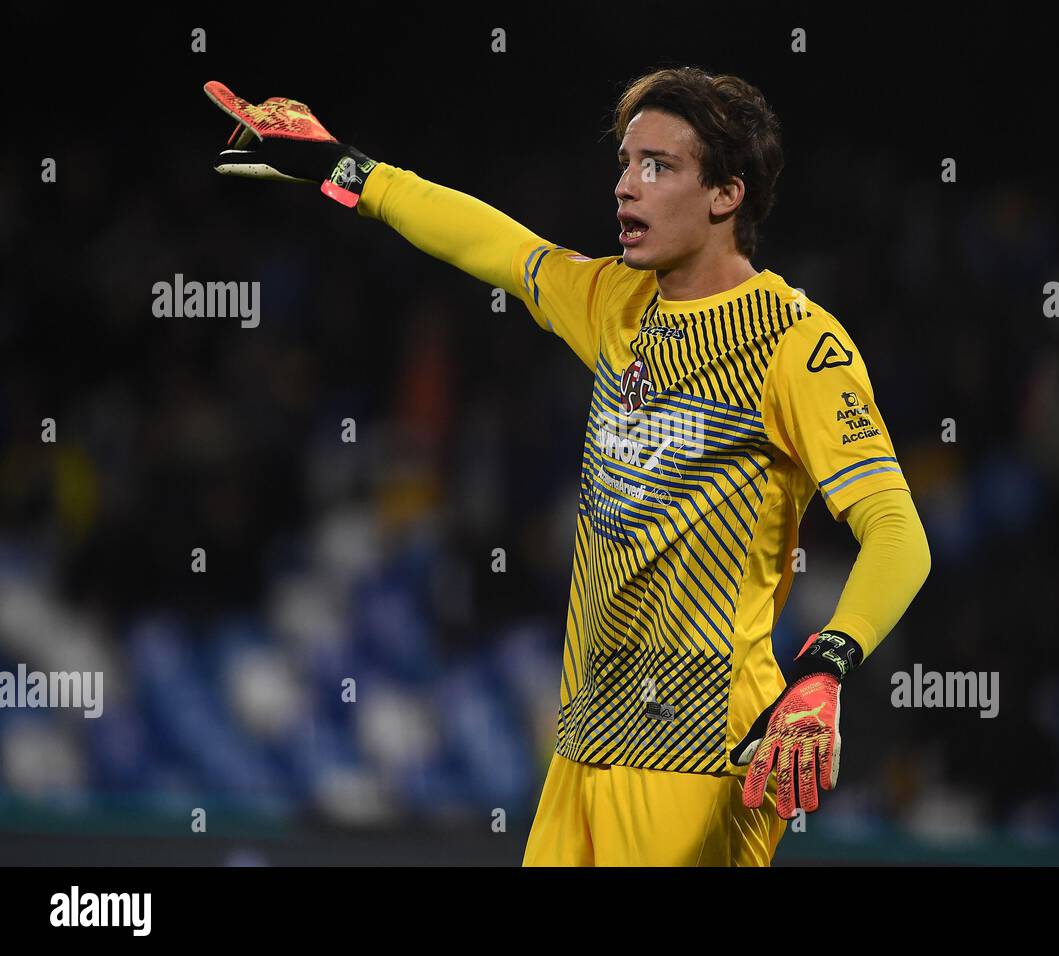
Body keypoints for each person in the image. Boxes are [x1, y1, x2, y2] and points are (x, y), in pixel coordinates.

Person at [206, 66, 931, 866]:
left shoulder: (797, 346)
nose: (625, 187)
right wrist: (346, 167)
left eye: (658, 166)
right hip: (583, 748)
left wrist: (825, 667)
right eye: (625, 163)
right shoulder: (615, 301)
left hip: (697, 755)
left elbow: (898, 532)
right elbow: (500, 247)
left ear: (727, 193)